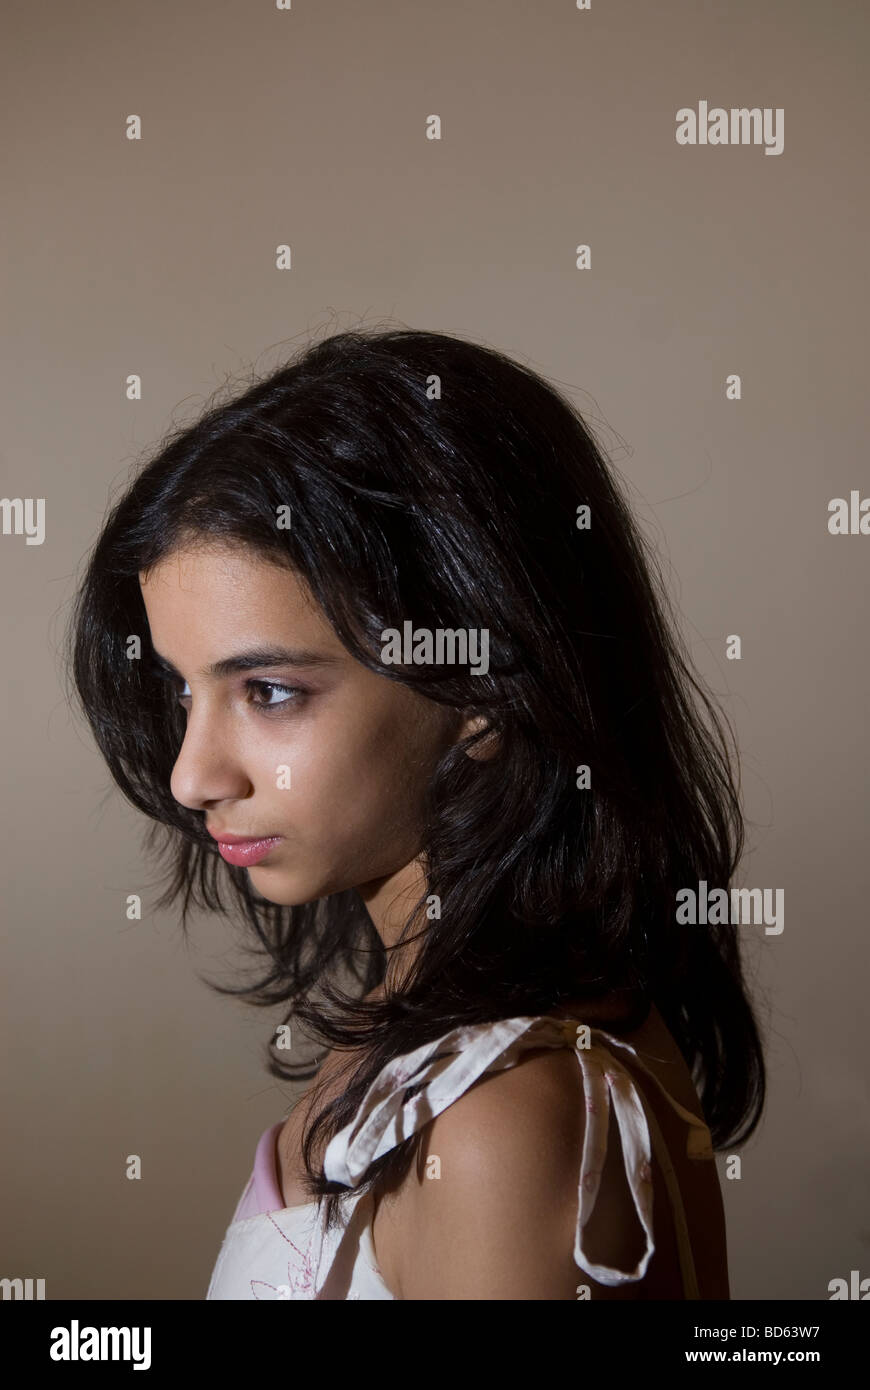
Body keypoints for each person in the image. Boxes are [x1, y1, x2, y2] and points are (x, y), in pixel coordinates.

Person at [65, 325, 765, 1299]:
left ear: (479, 691)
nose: (191, 776)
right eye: (186, 693)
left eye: (266, 691)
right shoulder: (447, 1039)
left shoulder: (503, 1119)